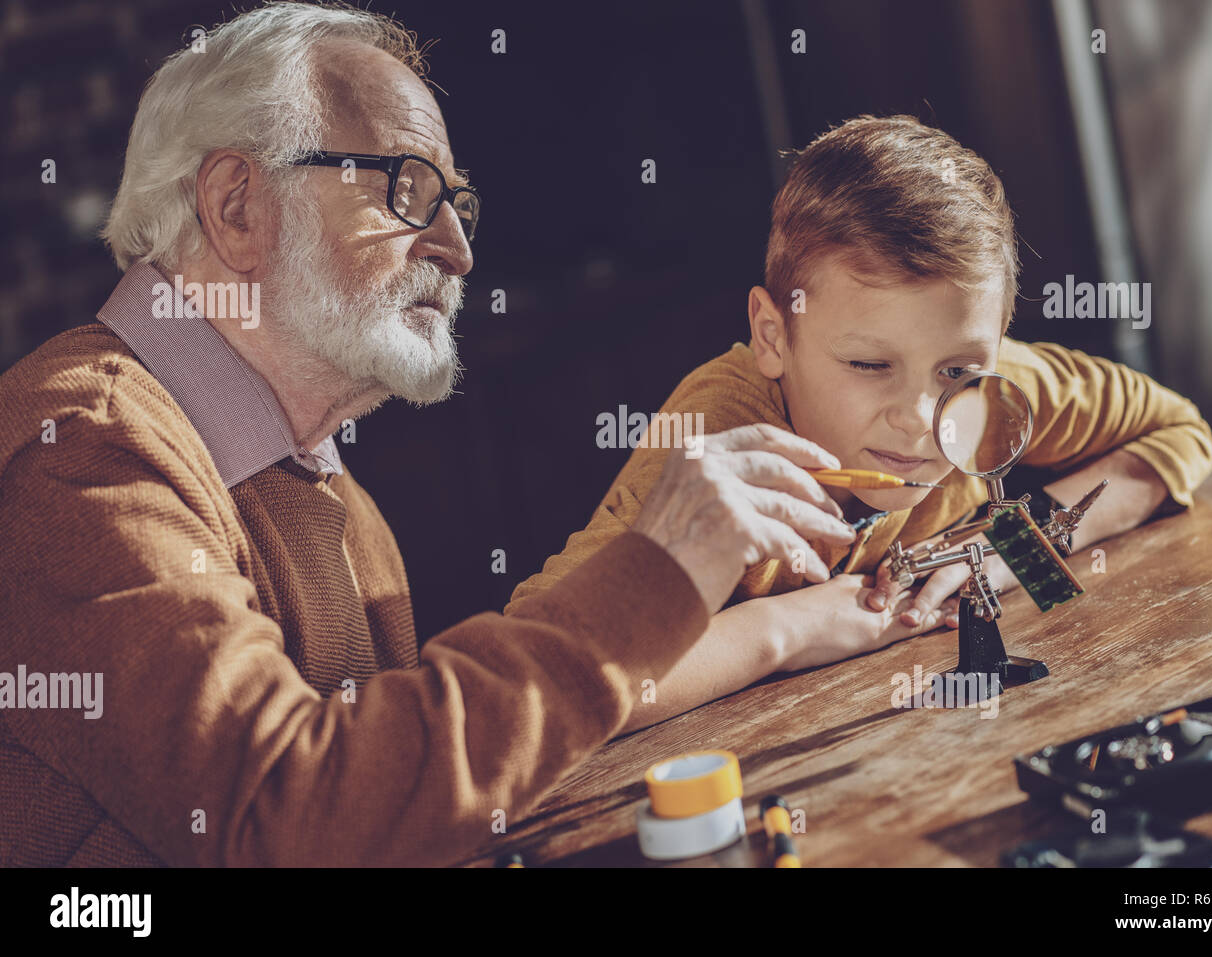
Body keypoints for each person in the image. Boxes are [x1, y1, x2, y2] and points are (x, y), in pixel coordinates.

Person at [0, 3, 857, 867]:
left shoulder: (342, 505)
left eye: (459, 204)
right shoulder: (80, 449)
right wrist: (655, 572)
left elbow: (394, 819)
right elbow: (287, 813)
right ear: (236, 208)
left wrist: (794, 622)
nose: (456, 248)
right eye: (409, 187)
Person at [507, 114, 1212, 731]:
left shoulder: (992, 396)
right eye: (869, 366)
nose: (919, 420)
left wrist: (1018, 544)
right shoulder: (715, 437)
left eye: (959, 371)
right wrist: (788, 627)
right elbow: (541, 687)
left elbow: (1178, 432)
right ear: (773, 334)